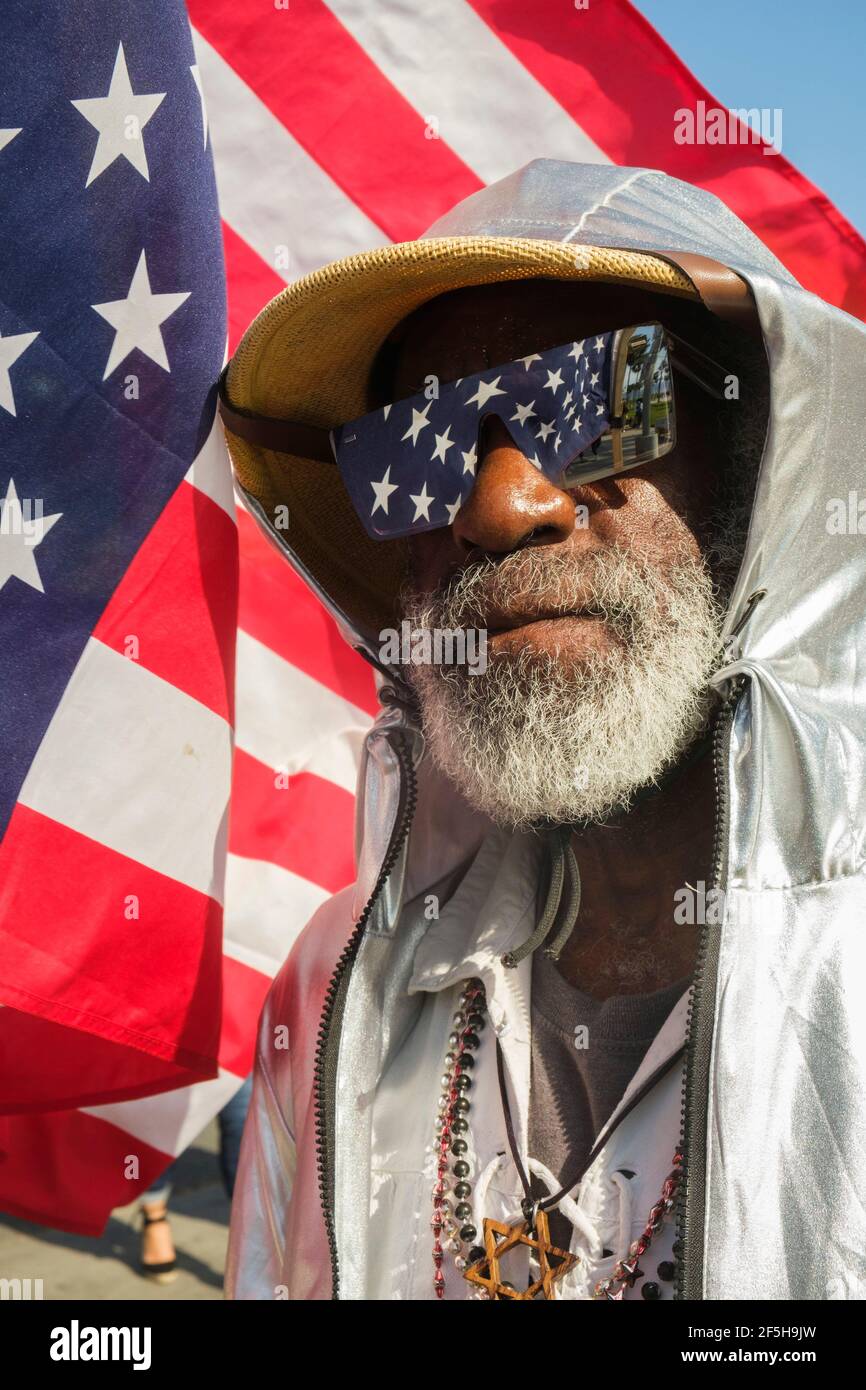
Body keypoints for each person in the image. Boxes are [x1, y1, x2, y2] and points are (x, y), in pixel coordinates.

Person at [217, 160, 866, 1300]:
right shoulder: (330, 988)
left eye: (593, 405)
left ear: (758, 472)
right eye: (420, 447)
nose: (497, 507)